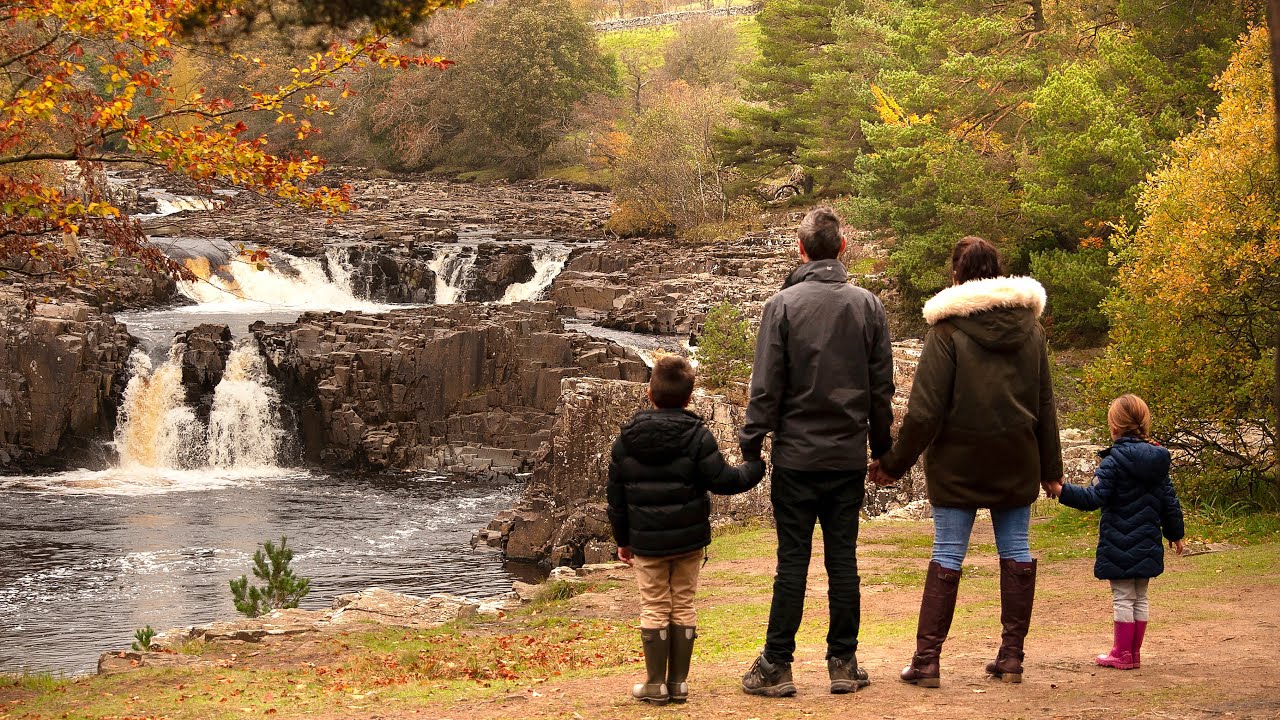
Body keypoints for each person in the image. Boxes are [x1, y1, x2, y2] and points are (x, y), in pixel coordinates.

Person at [869, 236, 1063, 687]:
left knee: (947, 554)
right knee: (1016, 551)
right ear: (999, 275)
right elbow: (1045, 404)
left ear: (956, 277)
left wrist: (894, 464)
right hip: (1017, 458)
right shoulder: (1031, 331)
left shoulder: (947, 332)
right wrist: (1051, 470)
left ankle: (927, 661)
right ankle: (1011, 658)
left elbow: (924, 413)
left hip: (957, 462)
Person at [738, 207, 895, 697]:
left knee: (792, 562)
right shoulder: (867, 306)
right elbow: (880, 390)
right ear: (841, 248)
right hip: (846, 456)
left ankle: (777, 665)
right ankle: (843, 663)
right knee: (842, 560)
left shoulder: (782, 306)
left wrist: (751, 445)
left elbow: (766, 387)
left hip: (796, 458)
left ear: (801, 249)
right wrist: (883, 450)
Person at [607, 354, 766, 706]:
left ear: (650, 393)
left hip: (646, 543)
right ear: (689, 396)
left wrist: (623, 541)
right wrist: (755, 467)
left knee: (654, 605)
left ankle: (654, 684)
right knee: (683, 604)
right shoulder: (698, 437)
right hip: (689, 541)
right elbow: (723, 481)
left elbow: (616, 501)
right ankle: (678, 683)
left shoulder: (626, 441)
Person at [1046, 394, 1185, 670]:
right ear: (1145, 423)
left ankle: (1121, 652)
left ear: (1114, 427)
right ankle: (1133, 653)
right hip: (1147, 543)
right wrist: (1175, 533)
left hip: (1118, 544)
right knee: (1140, 596)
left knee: (1123, 597)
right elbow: (1170, 501)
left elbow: (1093, 497)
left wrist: (1061, 490)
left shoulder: (1113, 461)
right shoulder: (1158, 462)